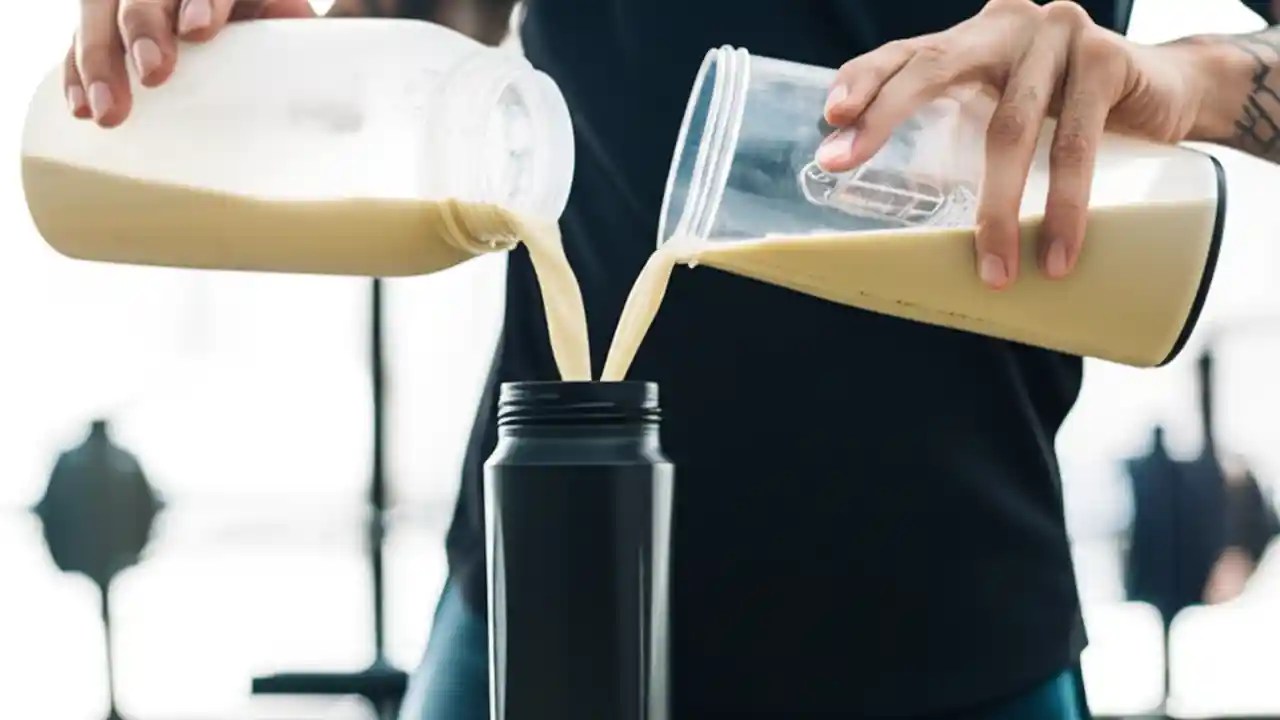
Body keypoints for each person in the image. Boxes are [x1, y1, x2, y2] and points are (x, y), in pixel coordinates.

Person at [64, 0, 1280, 717]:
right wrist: (276, 47)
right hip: (519, 623)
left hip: (949, 641)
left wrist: (1184, 79)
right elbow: (436, 32)